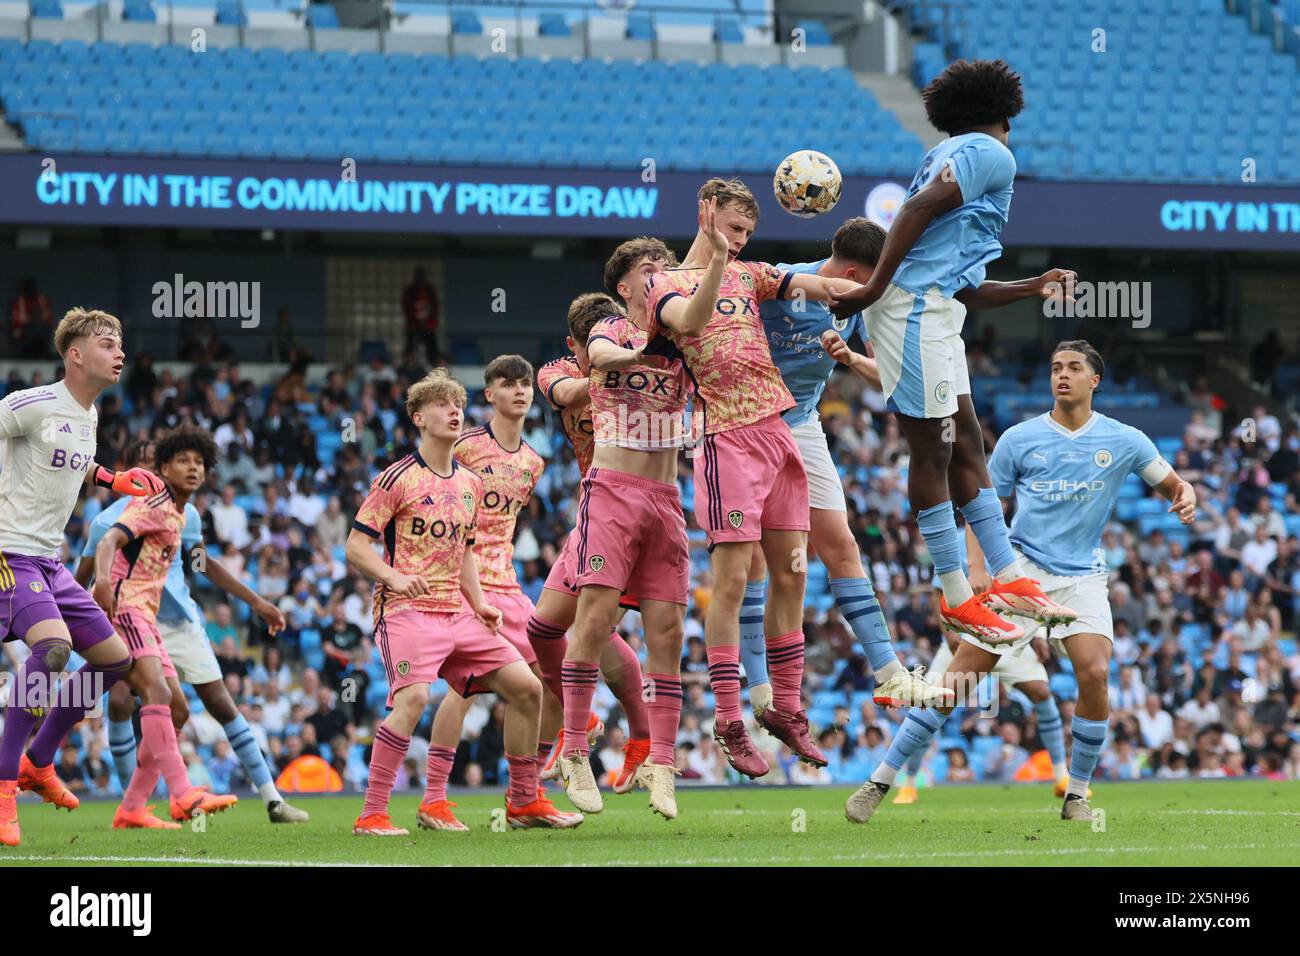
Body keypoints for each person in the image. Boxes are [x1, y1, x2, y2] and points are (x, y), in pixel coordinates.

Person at [845, 341, 1197, 825]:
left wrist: (1186, 494)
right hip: (1020, 574)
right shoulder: (1019, 438)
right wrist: (974, 569)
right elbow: (977, 503)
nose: (1062, 375)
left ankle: (1076, 794)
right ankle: (878, 781)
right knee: (958, 682)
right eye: (1055, 368)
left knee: (1094, 674)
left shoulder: (1126, 440)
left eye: (1074, 367)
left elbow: (1172, 483)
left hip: (1082, 578)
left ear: (1096, 380)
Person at [828, 59, 1078, 644]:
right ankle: (956, 594)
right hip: (912, 309)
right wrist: (872, 288)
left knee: (967, 441)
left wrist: (1030, 286)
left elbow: (960, 281)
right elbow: (913, 213)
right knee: (935, 449)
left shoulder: (948, 155)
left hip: (935, 308)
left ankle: (1008, 575)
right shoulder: (991, 153)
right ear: (1003, 110)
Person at [642, 182, 877, 776]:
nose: (739, 241)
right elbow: (691, 322)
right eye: (731, 229)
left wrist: (884, 284)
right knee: (731, 579)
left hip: (780, 432)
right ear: (704, 216)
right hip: (725, 437)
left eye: (746, 234)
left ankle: (787, 709)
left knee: (793, 573)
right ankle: (729, 719)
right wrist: (720, 261)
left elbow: (820, 285)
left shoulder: (753, 274)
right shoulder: (663, 284)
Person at [346, 369, 582, 834]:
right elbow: (355, 546)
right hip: (406, 611)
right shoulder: (396, 477)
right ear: (418, 418)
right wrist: (394, 576)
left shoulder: (469, 485)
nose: (453, 411)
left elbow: (467, 552)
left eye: (456, 404)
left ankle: (523, 801)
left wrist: (478, 604)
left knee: (529, 688)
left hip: (459, 612)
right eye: (440, 405)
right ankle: (372, 813)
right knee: (413, 700)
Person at [77, 433, 308, 824]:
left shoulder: (183, 513)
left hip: (170, 620)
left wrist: (255, 601)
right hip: (124, 611)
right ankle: (171, 794)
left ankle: (136, 805)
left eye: (197, 462)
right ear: (139, 470)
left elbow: (201, 563)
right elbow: (94, 560)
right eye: (151, 463)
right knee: (127, 700)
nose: (191, 468)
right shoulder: (124, 513)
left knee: (183, 709)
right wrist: (94, 593)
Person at [0, 308, 162, 848]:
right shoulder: (31, 403)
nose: (120, 352)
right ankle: (3, 787)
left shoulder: (87, 415)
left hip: (49, 561)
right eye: (107, 343)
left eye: (120, 343)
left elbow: (71, 459)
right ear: (75, 354)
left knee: (115, 661)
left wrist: (113, 478)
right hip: (10, 553)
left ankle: (38, 762)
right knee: (52, 650)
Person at [555, 234, 699, 820]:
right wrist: (641, 352)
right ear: (623, 286)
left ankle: (661, 763)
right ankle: (573, 750)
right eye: (648, 268)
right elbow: (606, 359)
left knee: (667, 634)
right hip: (611, 491)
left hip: (665, 497)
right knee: (591, 620)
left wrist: (713, 250)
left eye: (666, 266)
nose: (660, 274)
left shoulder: (686, 335)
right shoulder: (611, 330)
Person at [419, 354, 577, 831]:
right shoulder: (464, 446)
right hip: (465, 586)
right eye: (507, 384)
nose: (520, 391)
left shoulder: (533, 461)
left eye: (525, 384)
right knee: (465, 689)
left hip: (507, 584)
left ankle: (526, 795)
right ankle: (433, 799)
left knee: (554, 683)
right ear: (489, 395)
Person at [402, 267, 441, 364]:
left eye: (422, 276)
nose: (420, 278)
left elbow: (435, 307)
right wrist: (413, 322)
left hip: (428, 326)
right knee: (411, 347)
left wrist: (431, 323)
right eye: (418, 276)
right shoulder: (410, 290)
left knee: (432, 349)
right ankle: (409, 366)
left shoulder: (430, 290)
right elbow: (407, 308)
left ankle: (434, 366)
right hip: (414, 326)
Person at [9, 277, 52, 359]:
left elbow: (48, 319)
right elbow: (15, 320)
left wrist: (37, 320)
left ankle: (42, 355)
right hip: (24, 331)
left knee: (43, 330)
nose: (30, 290)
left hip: (39, 332)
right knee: (20, 334)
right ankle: (23, 355)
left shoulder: (41, 300)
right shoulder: (19, 301)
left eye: (31, 287)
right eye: (27, 287)